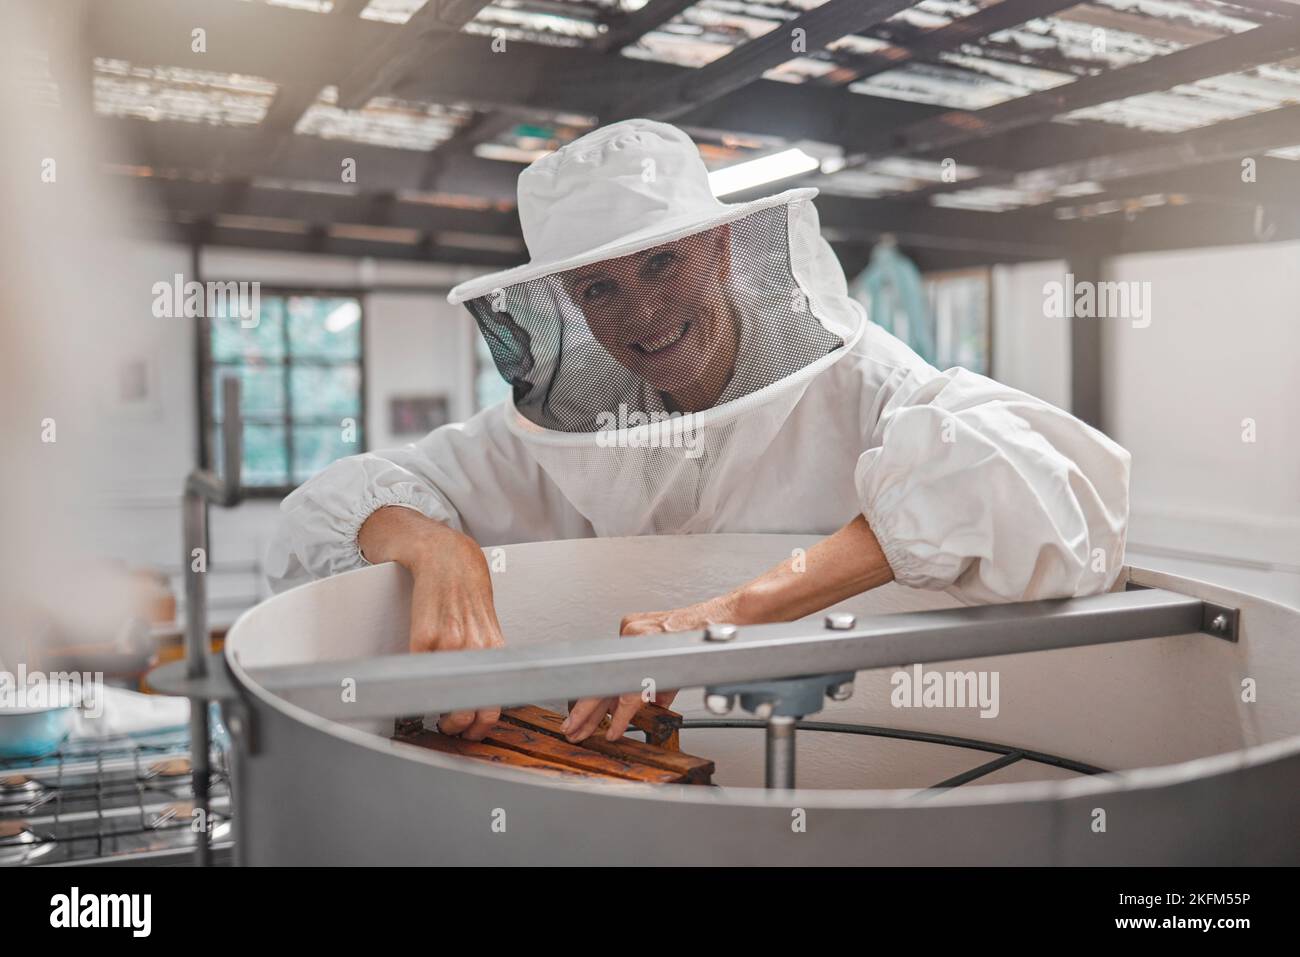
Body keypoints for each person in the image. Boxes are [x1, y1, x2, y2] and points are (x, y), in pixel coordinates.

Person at [265, 119, 1130, 746]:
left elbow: (1045, 491)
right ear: (567, 305)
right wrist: (432, 545)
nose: (641, 311)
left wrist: (729, 614)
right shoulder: (566, 423)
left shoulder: (863, 385)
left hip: (847, 766)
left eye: (659, 262)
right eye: (599, 290)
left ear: (720, 248)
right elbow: (320, 516)